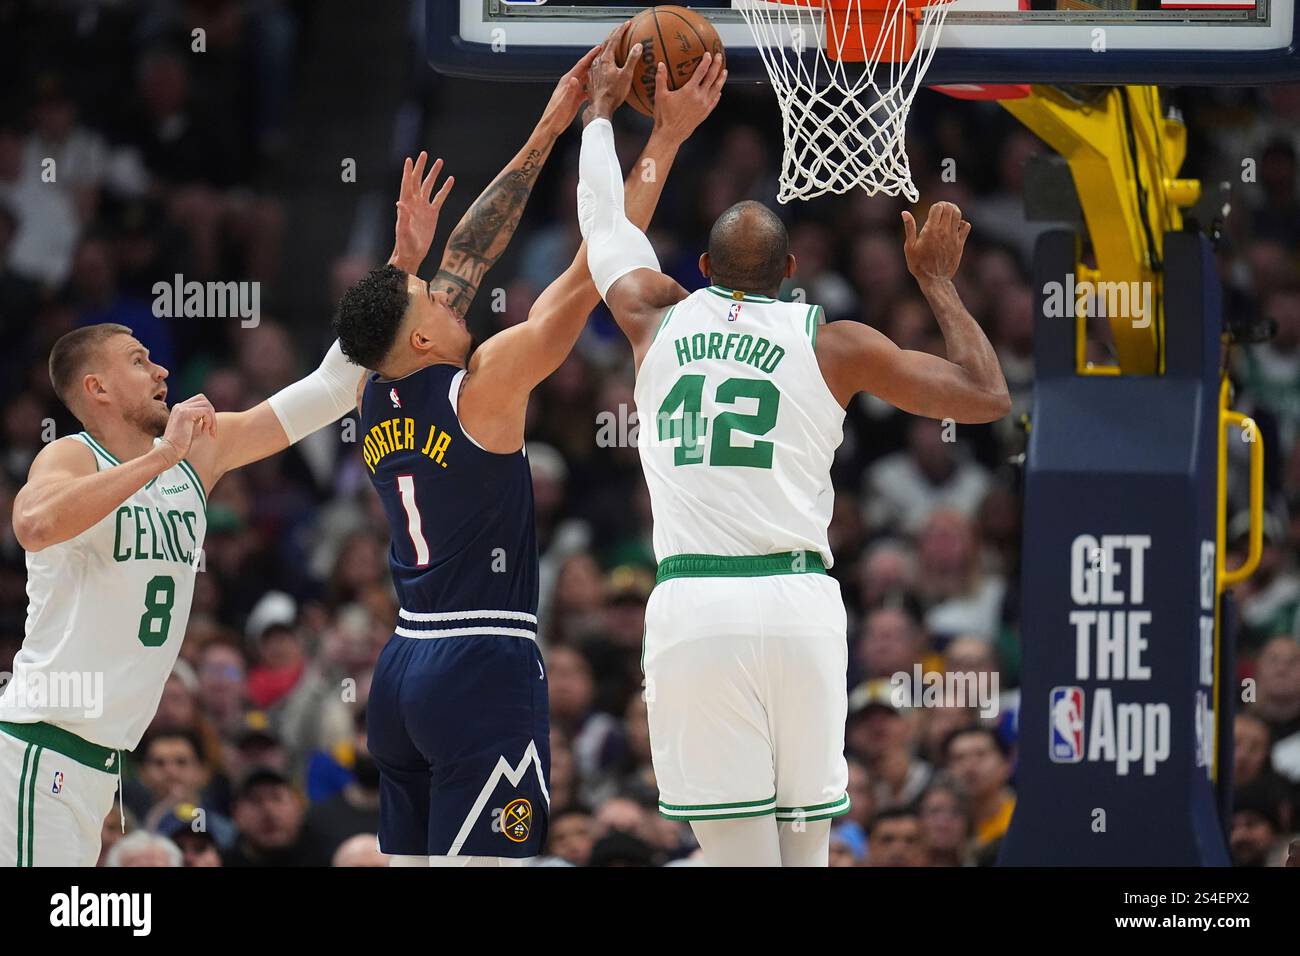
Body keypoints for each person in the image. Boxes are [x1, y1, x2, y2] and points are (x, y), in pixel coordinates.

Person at [576, 38, 1008, 867]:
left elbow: (604, 221)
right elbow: (986, 396)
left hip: (696, 606)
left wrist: (612, 118)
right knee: (806, 853)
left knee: (736, 855)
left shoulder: (651, 316)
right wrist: (938, 283)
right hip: (801, 603)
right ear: (792, 272)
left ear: (699, 270)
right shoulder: (833, 342)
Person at [330, 25, 720, 867]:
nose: (445, 293)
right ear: (425, 339)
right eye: (428, 299)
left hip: (400, 669)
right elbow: (594, 271)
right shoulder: (489, 384)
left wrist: (549, 123)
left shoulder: (374, 392)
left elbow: (468, 252)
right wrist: (661, 136)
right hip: (482, 661)